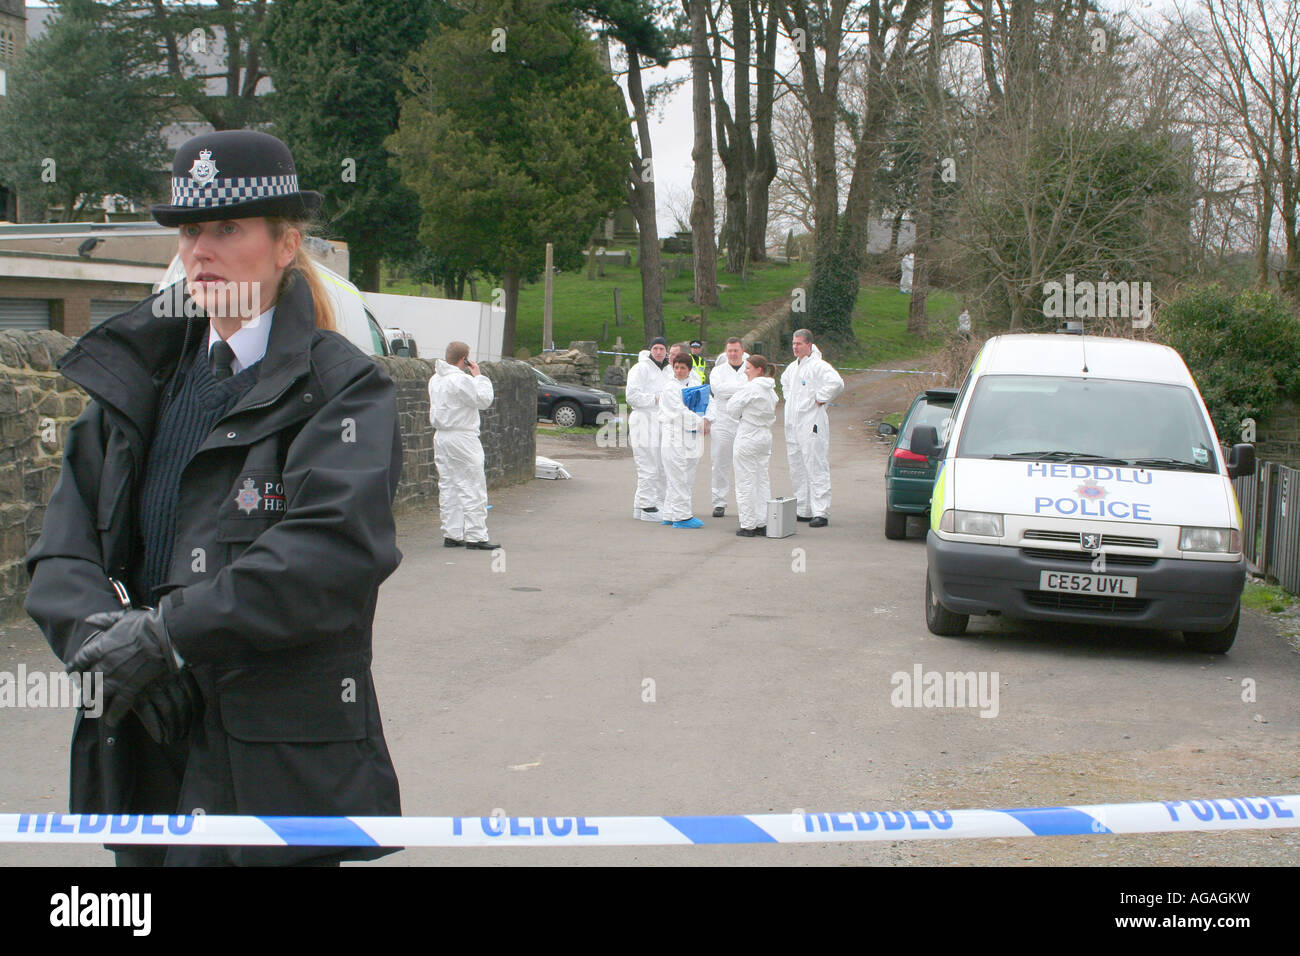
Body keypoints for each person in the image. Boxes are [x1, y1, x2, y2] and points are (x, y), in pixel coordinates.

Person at [23, 129, 403, 866]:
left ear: (286, 242)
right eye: (192, 229)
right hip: (145, 745)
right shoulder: (136, 385)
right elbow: (60, 554)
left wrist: (167, 638)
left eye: (228, 228)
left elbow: (329, 554)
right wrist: (110, 652)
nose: (201, 250)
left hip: (276, 772)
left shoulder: (344, 387)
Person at [429, 341, 498, 549]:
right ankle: (476, 536)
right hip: (462, 436)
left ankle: (452, 533)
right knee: (472, 484)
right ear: (464, 359)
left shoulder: (435, 379)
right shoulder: (460, 380)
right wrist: (479, 376)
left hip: (441, 436)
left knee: (449, 485)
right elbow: (483, 399)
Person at [780, 328, 845, 527]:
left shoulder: (818, 366)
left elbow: (837, 383)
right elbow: (784, 384)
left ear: (809, 345)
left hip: (812, 422)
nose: (795, 347)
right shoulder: (792, 368)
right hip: (793, 423)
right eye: (793, 343)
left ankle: (821, 511)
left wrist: (820, 398)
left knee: (815, 465)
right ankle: (803, 508)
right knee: (797, 466)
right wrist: (791, 400)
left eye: (799, 344)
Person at [728, 355, 779, 536]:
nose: (745, 370)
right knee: (761, 479)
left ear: (758, 369)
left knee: (745, 481)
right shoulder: (771, 391)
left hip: (748, 434)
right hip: (765, 435)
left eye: (748, 367)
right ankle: (762, 521)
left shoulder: (750, 388)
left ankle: (748, 524)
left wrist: (742, 415)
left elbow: (732, 409)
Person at [658, 352, 710, 528]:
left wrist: (708, 419)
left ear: (689, 369)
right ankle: (682, 517)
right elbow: (678, 412)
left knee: (686, 475)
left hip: (691, 436)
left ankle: (670, 513)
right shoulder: (670, 388)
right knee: (678, 476)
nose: (679, 371)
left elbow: (709, 402)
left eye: (683, 368)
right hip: (674, 435)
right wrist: (700, 422)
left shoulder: (695, 384)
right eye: (676, 367)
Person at [626, 337, 672, 520]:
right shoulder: (640, 369)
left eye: (662, 348)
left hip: (661, 420)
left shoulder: (668, 370)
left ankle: (643, 504)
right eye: (656, 348)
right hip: (643, 419)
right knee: (647, 464)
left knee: (660, 464)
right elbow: (632, 396)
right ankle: (647, 507)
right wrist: (656, 399)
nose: (659, 352)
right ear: (650, 350)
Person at [705, 337, 749, 517]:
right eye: (729, 350)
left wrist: (736, 390)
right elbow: (718, 390)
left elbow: (752, 388)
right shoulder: (718, 371)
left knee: (745, 463)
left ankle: (746, 502)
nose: (732, 354)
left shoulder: (749, 368)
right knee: (720, 462)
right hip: (722, 421)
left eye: (735, 350)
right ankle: (719, 502)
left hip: (744, 421)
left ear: (742, 351)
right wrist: (742, 389)